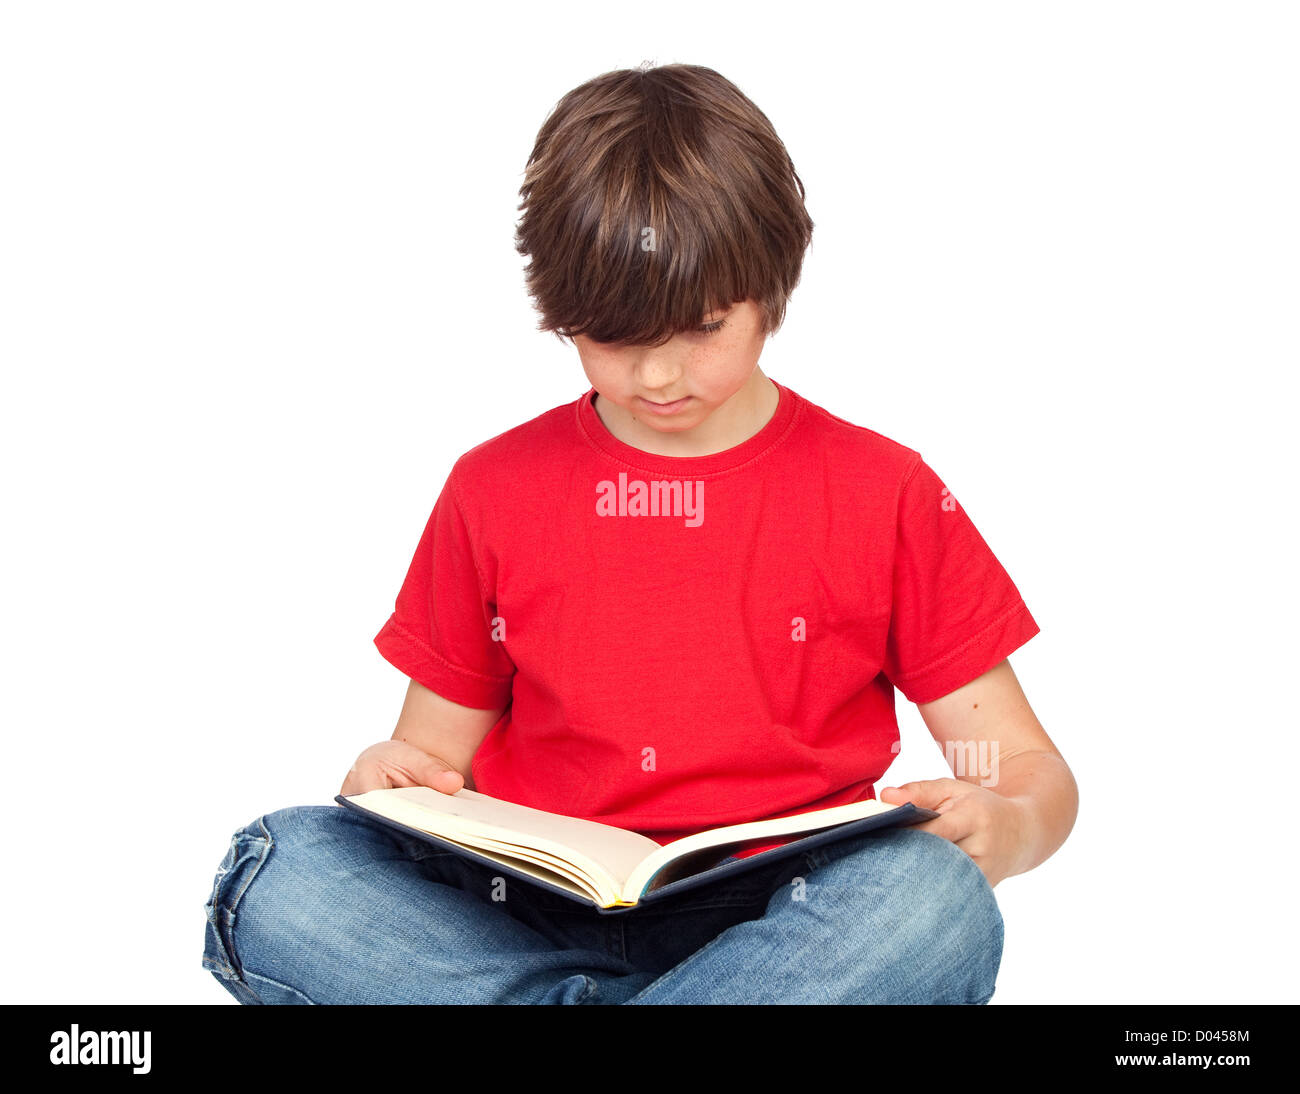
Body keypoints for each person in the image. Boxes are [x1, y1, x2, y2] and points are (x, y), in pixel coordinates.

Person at [202, 62, 1078, 1005]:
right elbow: (429, 769)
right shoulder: (492, 487)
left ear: (771, 283)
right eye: (616, 339)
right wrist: (391, 779)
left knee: (929, 902)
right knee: (282, 867)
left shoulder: (885, 490)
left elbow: (1028, 767)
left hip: (789, 922)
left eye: (701, 327)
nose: (659, 376)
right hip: (525, 911)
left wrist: (1011, 823)